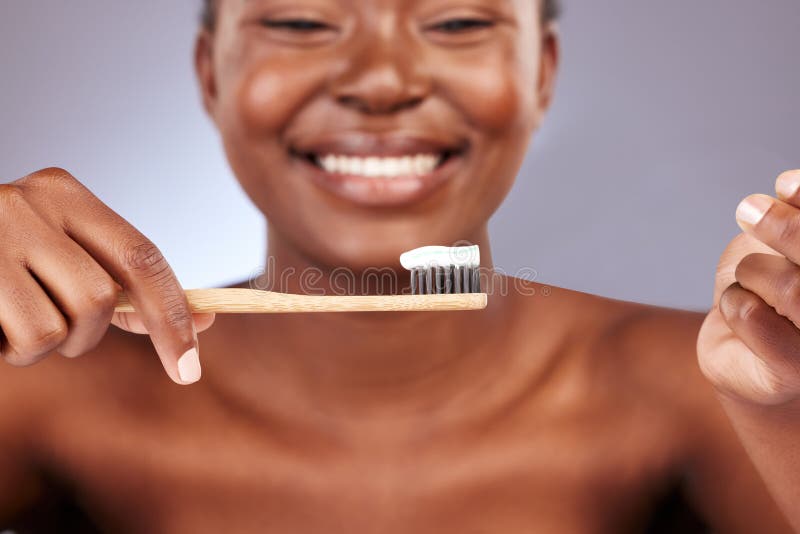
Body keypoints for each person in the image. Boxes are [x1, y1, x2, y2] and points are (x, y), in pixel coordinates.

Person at [0, 1, 798, 532]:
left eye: (455, 22)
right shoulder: (36, 389)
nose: (382, 82)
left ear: (541, 74)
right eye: (303, 21)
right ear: (212, 74)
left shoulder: (728, 392)